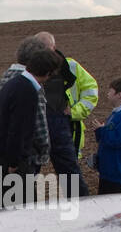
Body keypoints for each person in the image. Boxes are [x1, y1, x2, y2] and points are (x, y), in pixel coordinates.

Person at [0, 48, 58, 208]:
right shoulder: (27, 90)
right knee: (21, 206)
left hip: (3, 151)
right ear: (47, 72)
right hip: (12, 156)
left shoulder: (13, 83)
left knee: (2, 200)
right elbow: (18, 130)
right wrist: (14, 162)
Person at [33, 31, 89, 198]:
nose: (44, 53)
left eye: (47, 48)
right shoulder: (28, 67)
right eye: (40, 49)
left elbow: (91, 89)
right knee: (27, 174)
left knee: (70, 173)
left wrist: (75, 111)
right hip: (36, 125)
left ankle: (82, 210)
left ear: (54, 47)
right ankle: (22, 214)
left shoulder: (69, 66)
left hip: (61, 124)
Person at [90, 78, 121, 194]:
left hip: (115, 170)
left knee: (112, 202)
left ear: (119, 95)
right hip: (109, 170)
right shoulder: (116, 114)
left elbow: (118, 140)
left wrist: (102, 130)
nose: (107, 93)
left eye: (110, 91)